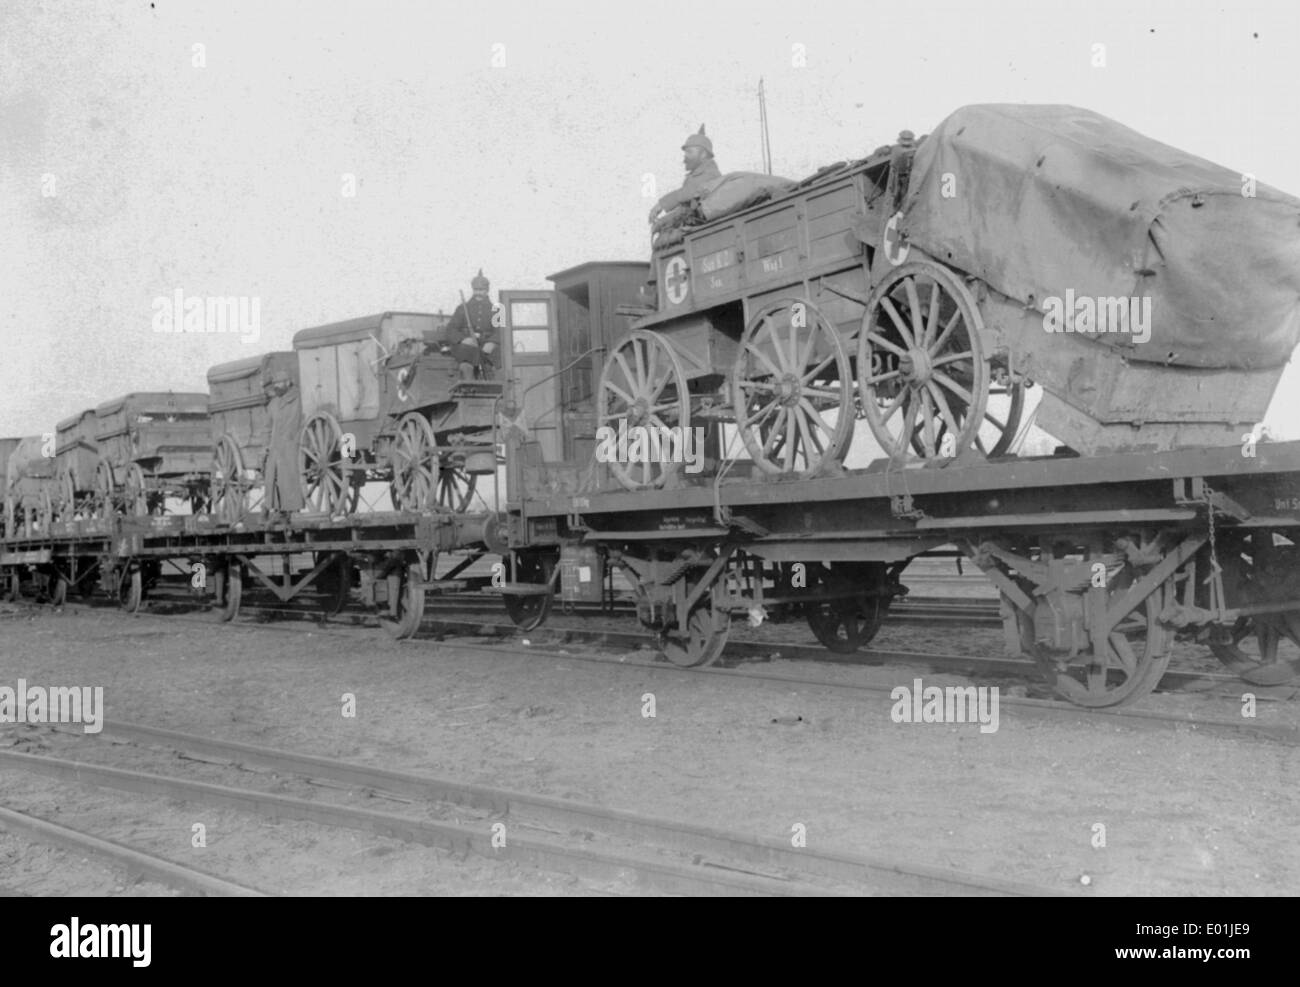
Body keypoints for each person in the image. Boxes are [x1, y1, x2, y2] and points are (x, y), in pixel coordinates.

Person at [647, 125, 722, 227]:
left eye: (690, 152)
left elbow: (690, 192)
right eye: (685, 153)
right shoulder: (696, 174)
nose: (685, 156)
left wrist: (662, 204)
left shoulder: (710, 173)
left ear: (703, 154)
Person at [255, 370, 304, 516]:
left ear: (288, 382)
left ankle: (291, 509)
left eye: (279, 383)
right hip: (276, 447)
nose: (276, 386)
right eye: (275, 383)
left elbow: (304, 421)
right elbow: (267, 428)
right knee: (273, 478)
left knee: (289, 477)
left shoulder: (299, 399)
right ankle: (275, 508)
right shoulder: (274, 404)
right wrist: (265, 447)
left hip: (292, 446)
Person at [443, 269, 500, 380]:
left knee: (499, 361)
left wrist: (492, 342)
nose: (478, 293)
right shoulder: (463, 308)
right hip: (466, 346)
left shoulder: (495, 310)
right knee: (466, 363)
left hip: (487, 344)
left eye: (481, 290)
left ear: (487, 290)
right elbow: (451, 329)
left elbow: (500, 331)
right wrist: (463, 339)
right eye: (476, 290)